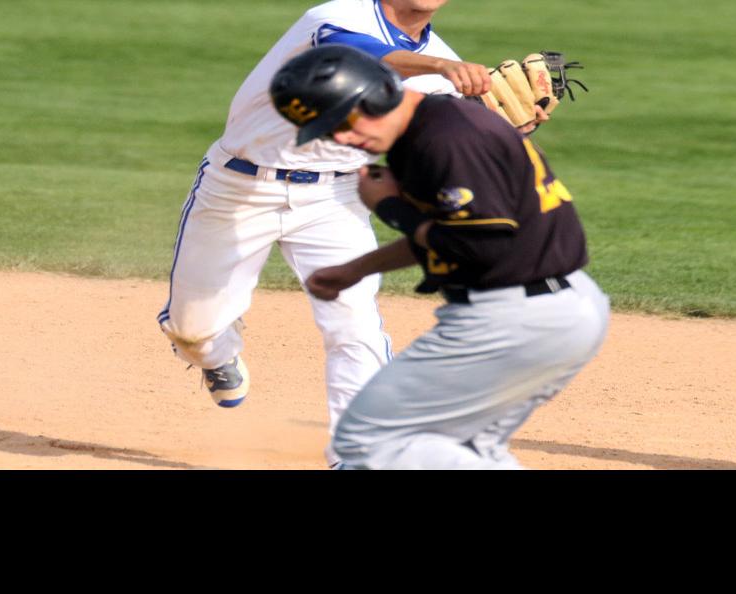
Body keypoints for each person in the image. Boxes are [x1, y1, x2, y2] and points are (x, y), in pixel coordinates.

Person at [156, 0, 503, 468]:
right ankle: (216, 353)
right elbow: (356, 55)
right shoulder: (340, 15)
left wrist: (507, 130)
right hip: (238, 188)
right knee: (190, 330)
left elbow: (447, 142)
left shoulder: (443, 66)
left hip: (334, 201)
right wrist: (443, 67)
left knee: (354, 326)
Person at [267, 44, 609, 469]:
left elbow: (481, 246)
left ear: (376, 94)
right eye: (328, 130)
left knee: (366, 441)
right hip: (558, 307)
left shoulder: (445, 140)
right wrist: (354, 270)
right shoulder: (434, 129)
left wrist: (390, 208)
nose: (342, 138)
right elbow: (457, 232)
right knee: (467, 450)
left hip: (510, 320)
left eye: (343, 120)